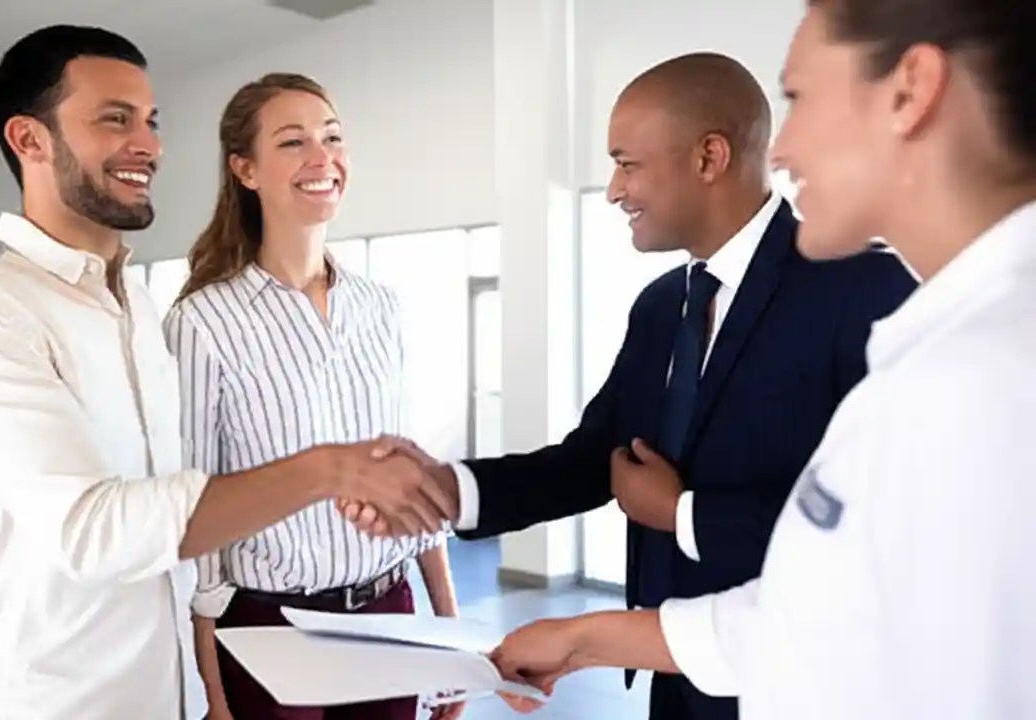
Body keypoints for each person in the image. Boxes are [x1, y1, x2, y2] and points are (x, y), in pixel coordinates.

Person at [489, 0, 1036, 717]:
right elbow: (825, 608)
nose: (779, 149)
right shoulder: (945, 349)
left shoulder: (991, 368)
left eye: (801, 98)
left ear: (909, 90)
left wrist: (677, 518)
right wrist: (588, 638)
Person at [347, 51, 916, 720]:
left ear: (708, 158)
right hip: (669, 678)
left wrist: (684, 515)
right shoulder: (659, 305)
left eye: (627, 163)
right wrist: (449, 491)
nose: (615, 190)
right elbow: (597, 462)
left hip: (802, 685)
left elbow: (892, 522)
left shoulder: (862, 288)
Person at [0, 28, 452, 720]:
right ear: (29, 139)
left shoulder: (129, 300)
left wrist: (201, 687)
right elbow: (90, 530)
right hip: (52, 702)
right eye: (115, 119)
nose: (150, 144)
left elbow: (174, 506)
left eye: (151, 121)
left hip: (162, 694)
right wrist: (325, 471)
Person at [164, 72, 464, 720]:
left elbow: (406, 481)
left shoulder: (381, 309)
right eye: (293, 142)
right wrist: (211, 692)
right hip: (269, 630)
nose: (322, 158)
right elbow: (196, 517)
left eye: (332, 137)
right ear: (245, 170)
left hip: (390, 616)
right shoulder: (202, 322)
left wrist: (449, 633)